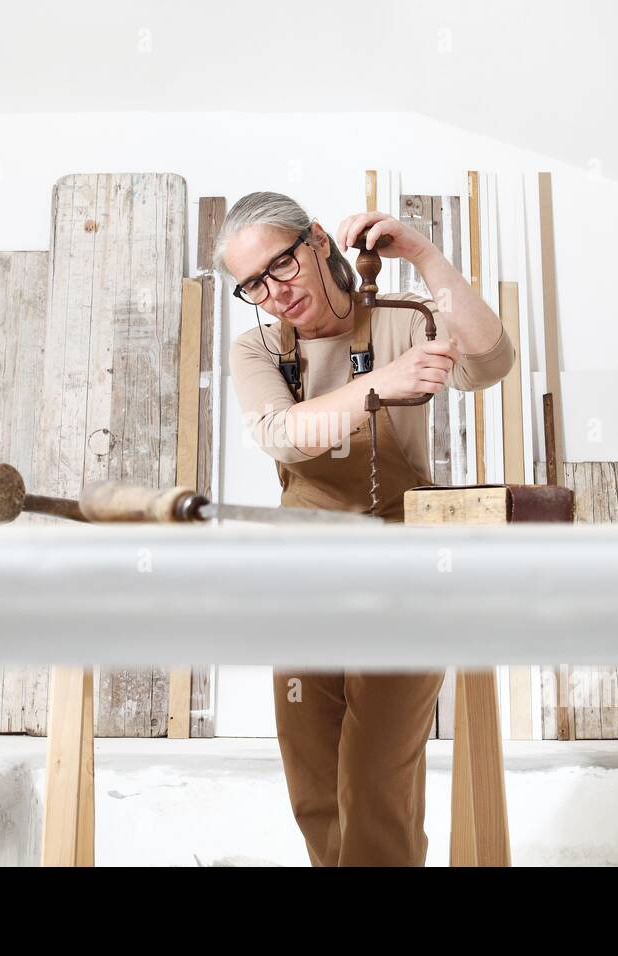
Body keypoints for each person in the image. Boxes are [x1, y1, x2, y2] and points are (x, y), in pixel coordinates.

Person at [216, 191, 514, 866]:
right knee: (313, 777)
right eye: (253, 284)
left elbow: (490, 364)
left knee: (375, 775)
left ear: (318, 241)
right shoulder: (257, 347)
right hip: (302, 570)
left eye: (281, 266)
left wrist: (423, 254)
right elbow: (284, 437)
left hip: (404, 563)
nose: (273, 293)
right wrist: (382, 384)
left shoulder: (403, 321)